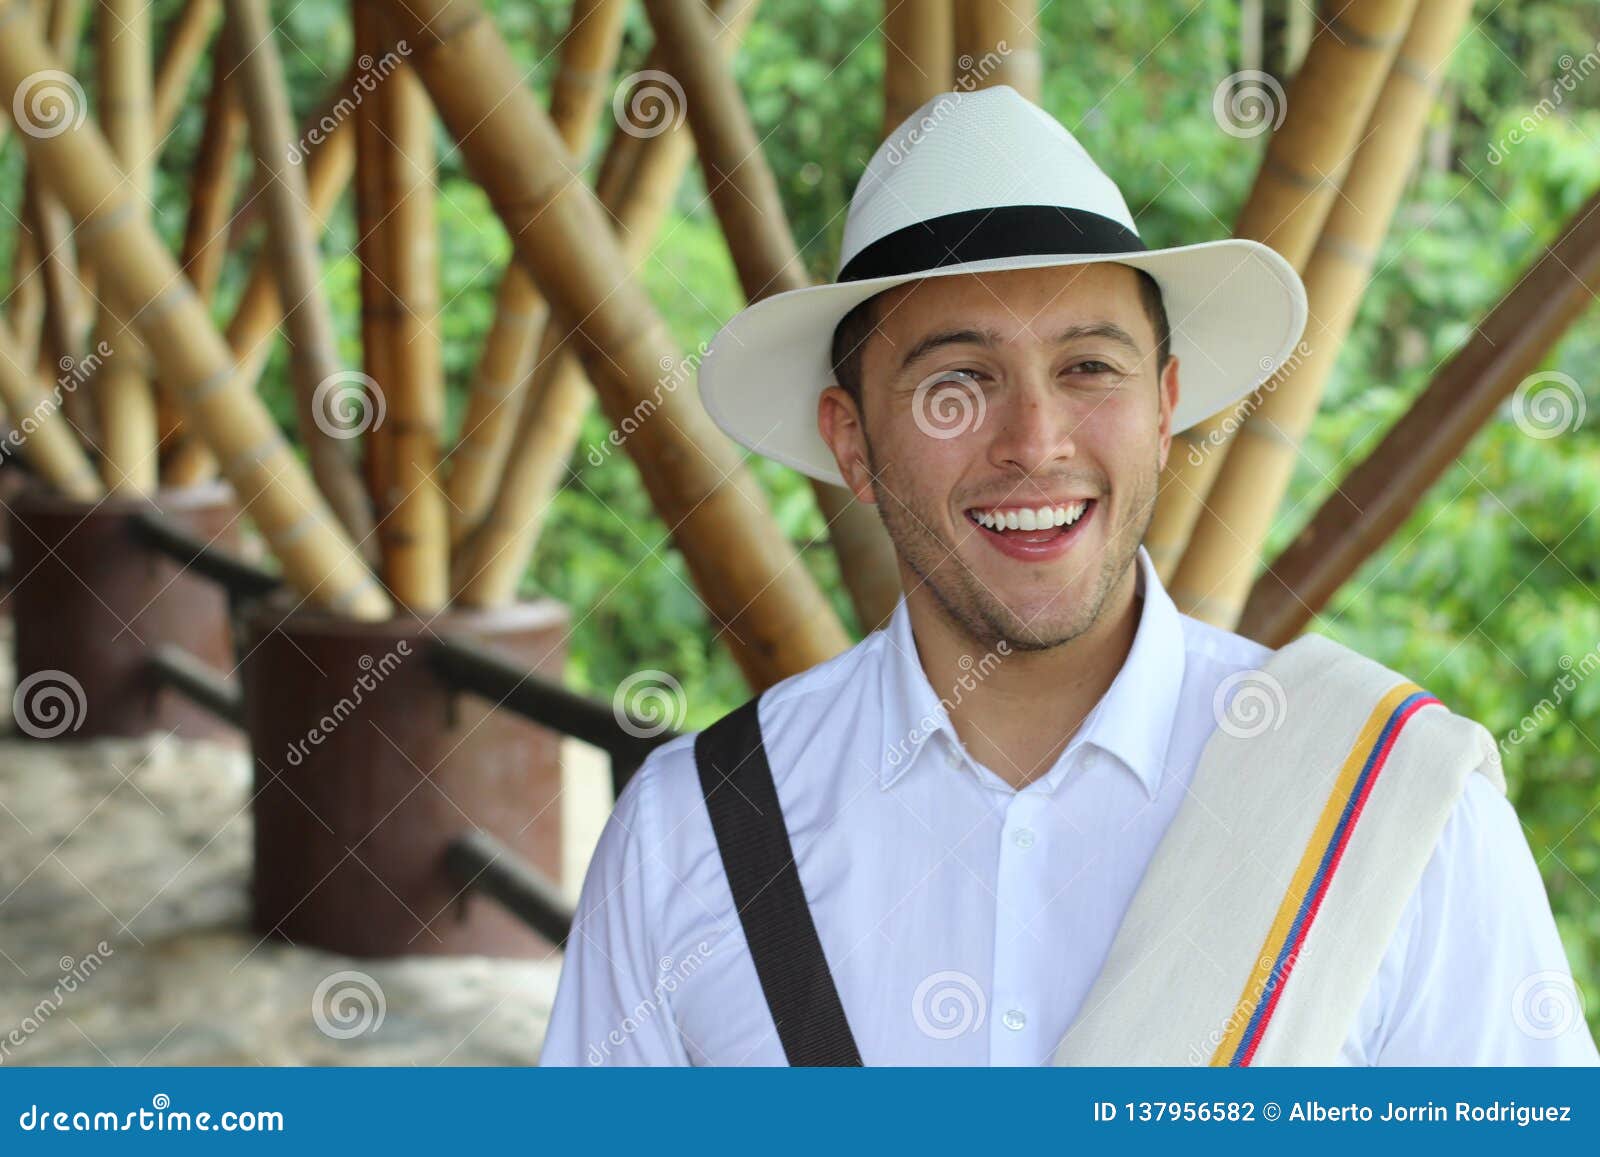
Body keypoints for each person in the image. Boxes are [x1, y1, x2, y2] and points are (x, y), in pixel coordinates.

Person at [540, 85, 1598, 1066]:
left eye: (1089, 367)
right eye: (956, 380)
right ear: (851, 441)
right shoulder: (691, 835)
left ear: (1163, 406)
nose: (1034, 441)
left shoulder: (1388, 812)